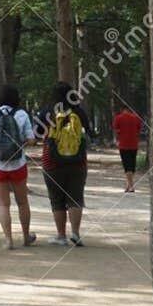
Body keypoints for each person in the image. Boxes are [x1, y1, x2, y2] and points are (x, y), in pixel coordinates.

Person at [0, 83, 37, 249]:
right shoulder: (21, 115)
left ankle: (8, 240)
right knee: (22, 202)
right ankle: (26, 236)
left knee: (3, 203)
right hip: (18, 164)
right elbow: (31, 139)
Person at [38, 81, 91, 245]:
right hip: (77, 161)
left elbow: (38, 134)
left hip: (52, 161)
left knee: (57, 200)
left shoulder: (48, 112)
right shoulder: (79, 112)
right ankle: (75, 233)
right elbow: (88, 134)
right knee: (76, 198)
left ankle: (61, 236)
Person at [112, 103, 143, 193]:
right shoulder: (136, 118)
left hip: (123, 144)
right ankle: (128, 185)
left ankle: (131, 186)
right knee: (132, 165)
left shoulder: (118, 118)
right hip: (134, 144)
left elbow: (116, 130)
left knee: (127, 166)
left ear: (122, 109)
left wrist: (118, 137)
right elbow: (139, 130)